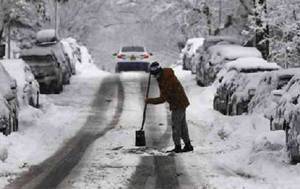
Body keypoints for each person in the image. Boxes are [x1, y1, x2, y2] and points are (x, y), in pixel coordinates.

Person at [145, 62, 194, 153]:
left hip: (178, 103)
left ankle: (178, 147)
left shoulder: (166, 80)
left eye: (155, 75)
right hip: (180, 102)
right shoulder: (163, 76)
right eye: (153, 75)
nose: (154, 77)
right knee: (182, 126)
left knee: (176, 126)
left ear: (158, 72)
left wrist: (149, 100)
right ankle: (188, 145)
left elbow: (162, 98)